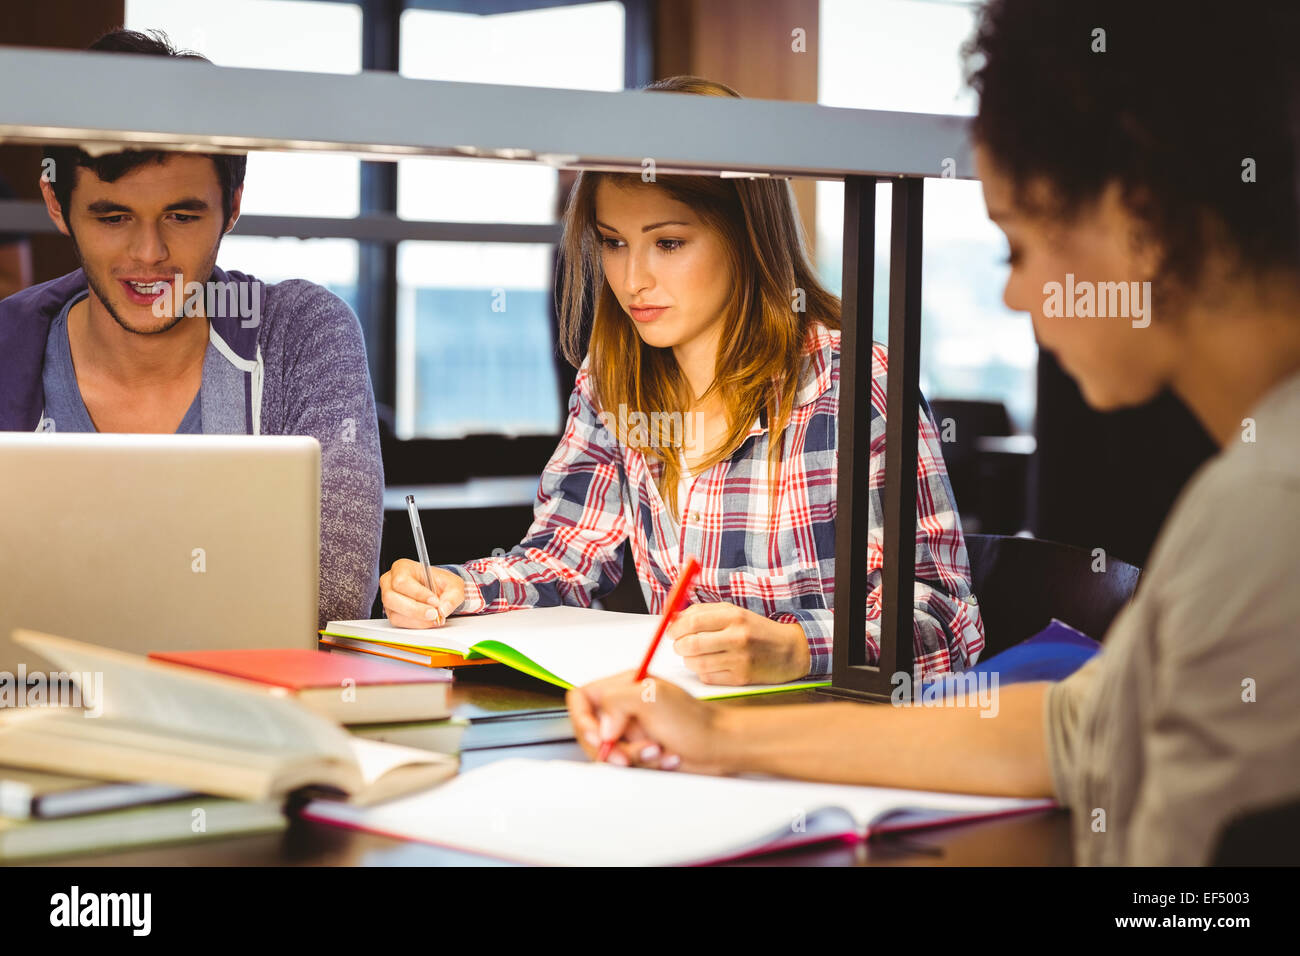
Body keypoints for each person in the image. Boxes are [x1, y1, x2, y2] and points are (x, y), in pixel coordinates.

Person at [566, 0, 1300, 866]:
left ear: (1139, 221)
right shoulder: (1243, 497)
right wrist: (722, 739)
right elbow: (1073, 731)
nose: (1016, 298)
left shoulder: (1266, 511)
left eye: (1016, 248)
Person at [380, 77, 983, 687]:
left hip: (830, 742)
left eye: (668, 243)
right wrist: (459, 586)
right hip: (687, 732)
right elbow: (568, 556)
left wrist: (799, 648)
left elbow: (946, 622)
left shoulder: (853, 384)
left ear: (745, 237)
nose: (633, 278)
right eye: (613, 243)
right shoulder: (610, 379)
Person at [0, 29, 384, 627]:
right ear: (57, 204)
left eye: (182, 215)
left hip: (246, 715)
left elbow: (328, 603)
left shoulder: (302, 337)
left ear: (233, 203)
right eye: (113, 216)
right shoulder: (8, 346)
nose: (149, 253)